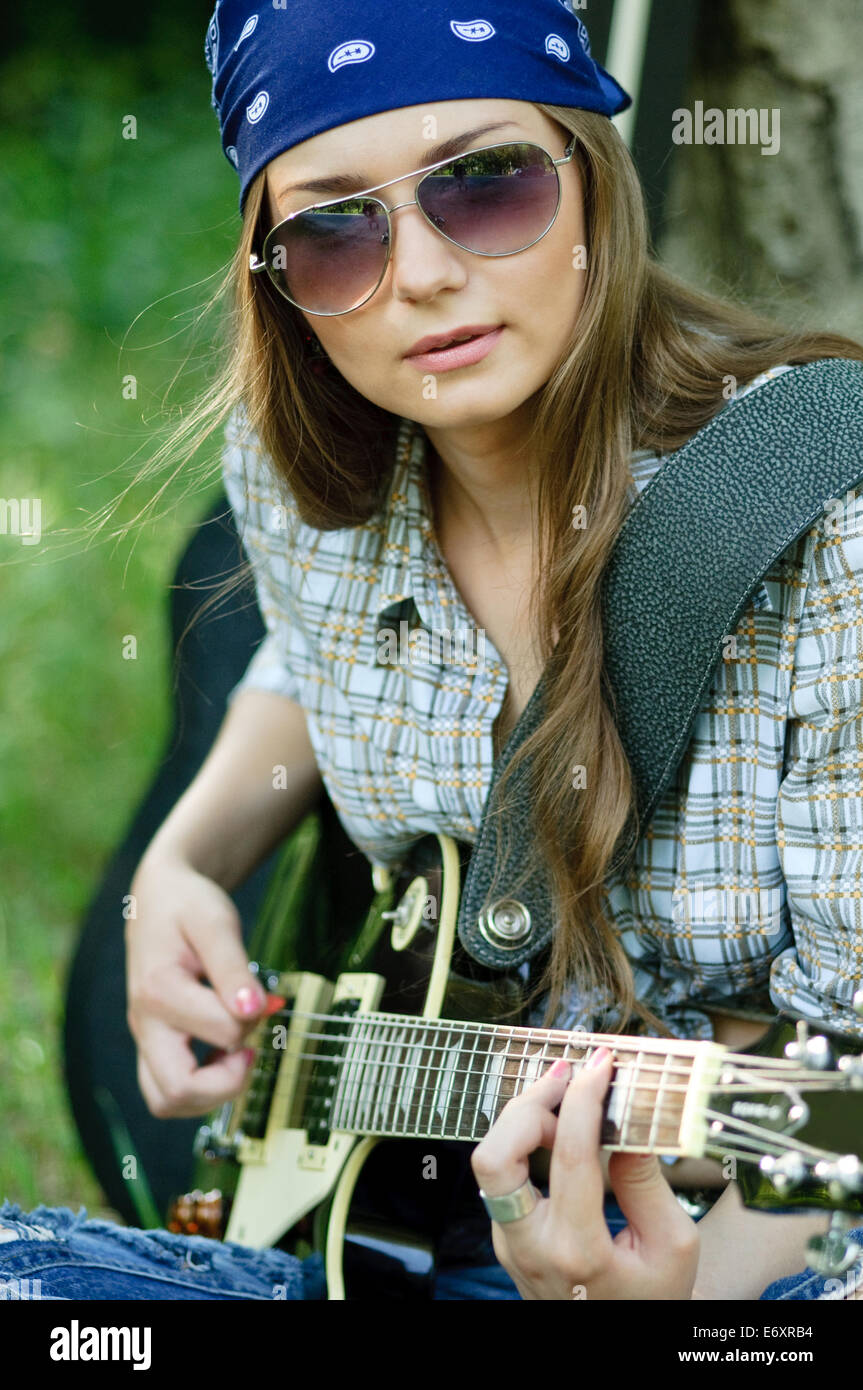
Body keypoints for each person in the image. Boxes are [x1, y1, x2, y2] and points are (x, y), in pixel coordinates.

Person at [3, 0, 863, 1301]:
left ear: (592, 175)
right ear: (278, 279)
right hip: (393, 1221)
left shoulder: (823, 534)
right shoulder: (310, 483)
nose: (418, 275)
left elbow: (843, 1102)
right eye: (335, 230)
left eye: (486, 184)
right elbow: (312, 661)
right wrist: (188, 862)